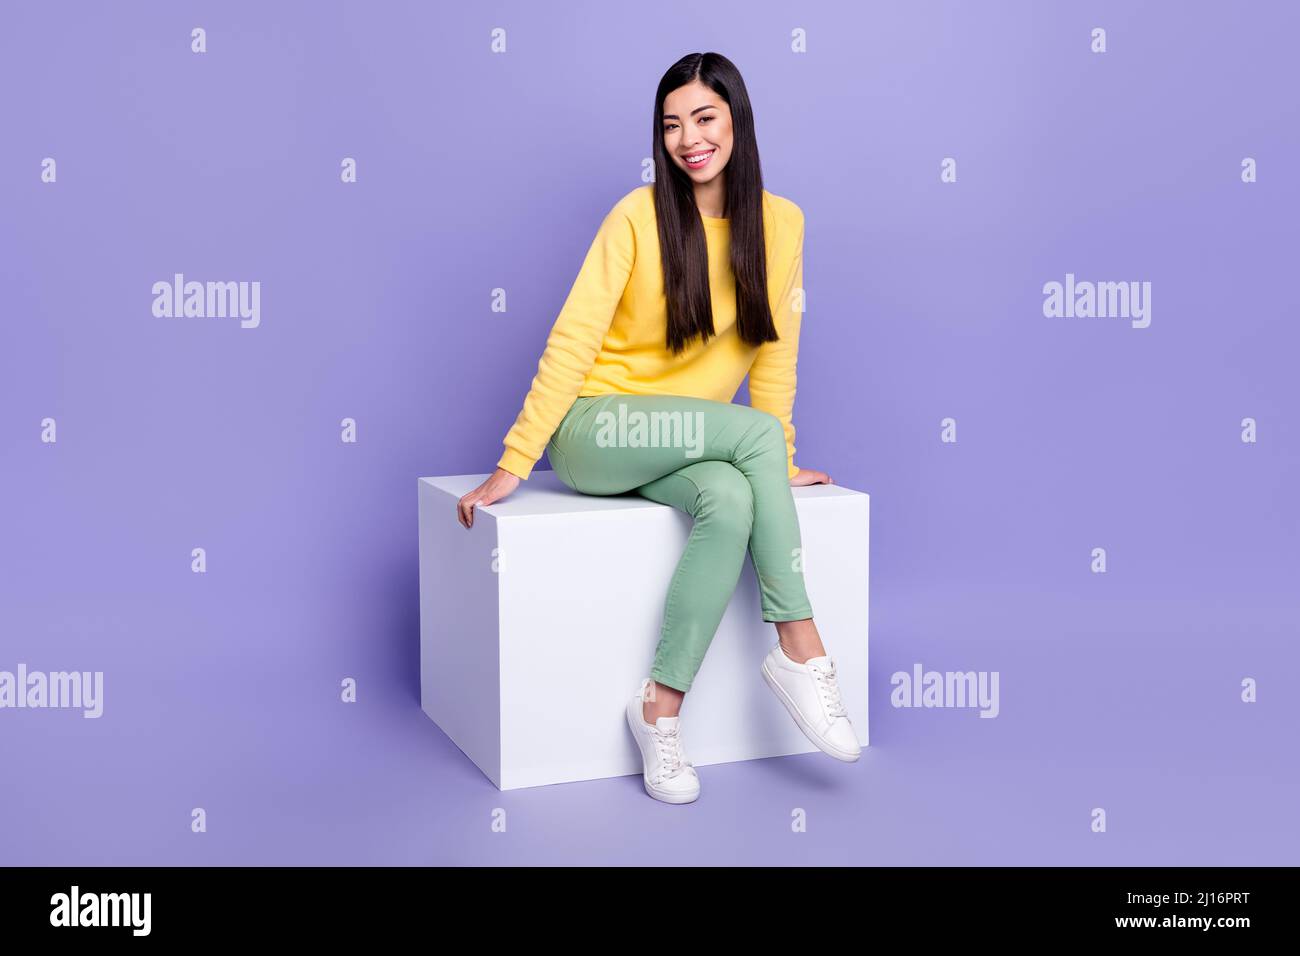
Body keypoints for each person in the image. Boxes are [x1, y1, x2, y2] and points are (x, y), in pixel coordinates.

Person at [457, 52, 860, 804]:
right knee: (753, 443)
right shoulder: (637, 215)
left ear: (737, 121)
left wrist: (778, 460)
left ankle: (658, 712)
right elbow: (574, 337)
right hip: (597, 433)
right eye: (671, 124)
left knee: (734, 501)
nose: (688, 138)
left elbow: (775, 350)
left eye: (704, 118)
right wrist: (516, 462)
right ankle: (801, 650)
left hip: (683, 442)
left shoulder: (782, 224)